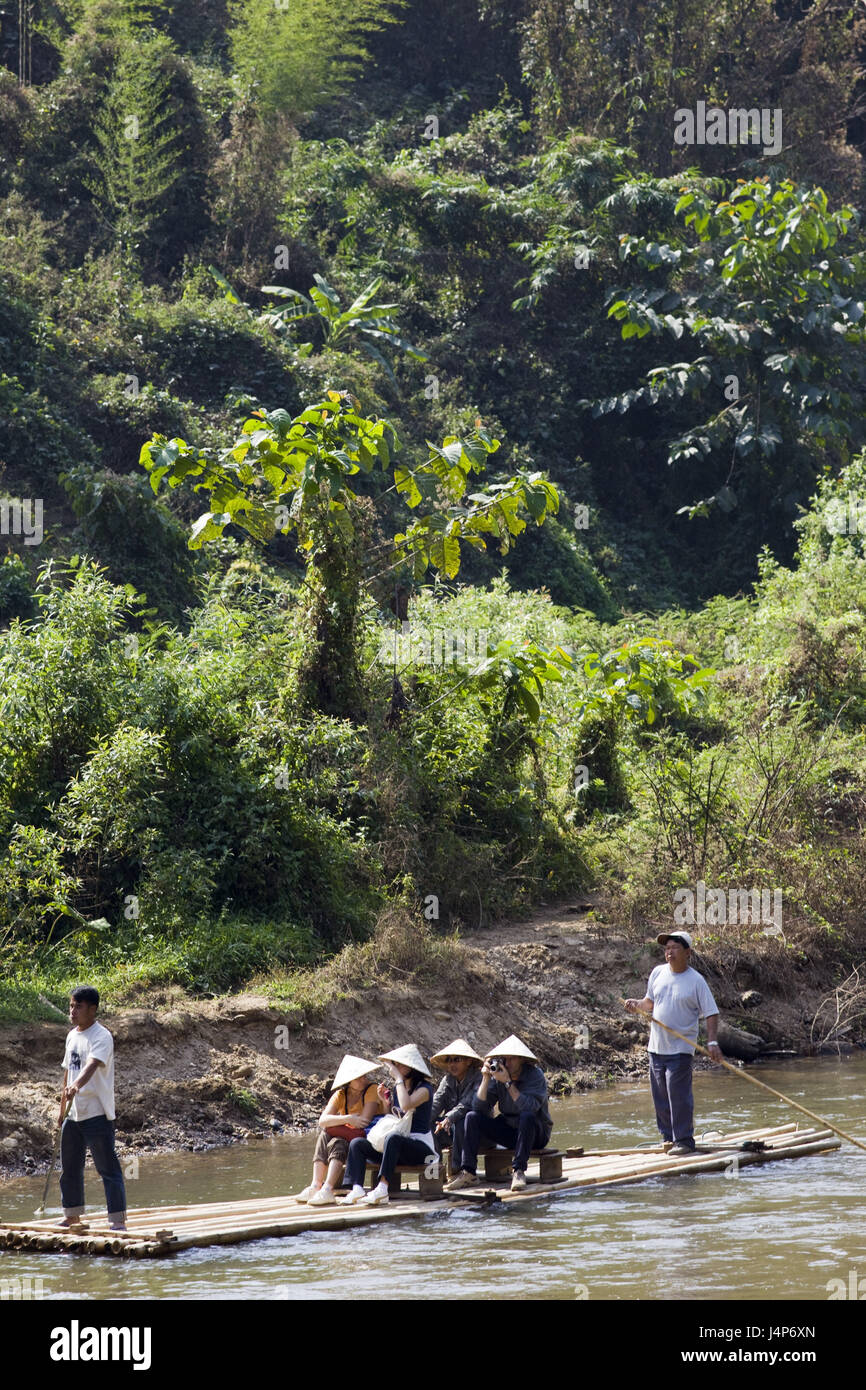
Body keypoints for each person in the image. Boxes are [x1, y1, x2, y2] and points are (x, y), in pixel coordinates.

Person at [625, 930, 724, 1155]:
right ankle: (668, 1138)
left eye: (674, 948)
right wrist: (636, 1004)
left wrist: (712, 1042)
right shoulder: (658, 973)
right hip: (656, 1047)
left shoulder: (696, 981)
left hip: (681, 1048)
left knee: (677, 1095)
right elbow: (649, 1001)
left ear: (687, 953)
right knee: (660, 1096)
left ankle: (685, 1141)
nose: (669, 952)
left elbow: (711, 1012)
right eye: (667, 948)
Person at [445, 1034, 553, 1193]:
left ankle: (519, 1171)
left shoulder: (535, 1075)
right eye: (505, 1059)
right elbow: (478, 1107)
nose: (507, 1063)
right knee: (471, 1117)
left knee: (526, 1116)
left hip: (534, 1133)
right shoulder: (499, 1074)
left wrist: (508, 1082)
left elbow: (529, 1108)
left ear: (521, 1060)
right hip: (509, 1129)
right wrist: (486, 1078)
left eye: (511, 1059)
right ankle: (468, 1172)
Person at [58, 985, 126, 1231]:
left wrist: (77, 1085)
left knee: (107, 1168)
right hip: (73, 1114)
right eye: (71, 1005)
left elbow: (91, 1065)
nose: (73, 1011)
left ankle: (117, 1221)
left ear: (92, 1009)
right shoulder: (71, 1035)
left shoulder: (102, 1036)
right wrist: (62, 1108)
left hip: (96, 1111)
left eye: (79, 1006)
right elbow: (69, 1070)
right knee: (69, 1167)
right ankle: (72, 1216)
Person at [336, 1045, 436, 1207]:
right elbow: (394, 1117)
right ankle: (356, 1188)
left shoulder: (425, 1089)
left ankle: (382, 1188)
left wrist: (398, 1079)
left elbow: (405, 1105)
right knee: (358, 1143)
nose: (396, 1067)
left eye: (400, 1064)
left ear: (412, 1067)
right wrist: (385, 1103)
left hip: (421, 1150)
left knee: (393, 1138)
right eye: (394, 1064)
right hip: (396, 1146)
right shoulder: (399, 1088)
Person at [297, 1054, 382, 1207]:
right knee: (328, 1136)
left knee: (336, 1140)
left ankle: (328, 1187)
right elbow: (322, 1120)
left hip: (365, 1140)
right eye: (359, 1077)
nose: (364, 1079)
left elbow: (363, 1122)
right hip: (347, 1136)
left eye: (364, 1076)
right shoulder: (340, 1095)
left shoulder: (372, 1089)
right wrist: (347, 1119)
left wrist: (338, 1123)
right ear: (349, 1081)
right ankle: (316, 1185)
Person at [430, 1038, 482, 1177]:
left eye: (456, 1060)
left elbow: (468, 1103)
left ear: (468, 1061)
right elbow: (436, 1103)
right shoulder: (447, 1080)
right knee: (428, 1126)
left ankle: (457, 1170)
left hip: (477, 1131)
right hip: (451, 1129)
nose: (452, 1064)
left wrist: (449, 1117)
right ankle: (435, 1171)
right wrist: (420, 1119)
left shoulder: (479, 1078)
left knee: (462, 1121)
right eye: (449, 1060)